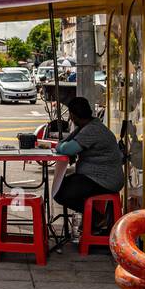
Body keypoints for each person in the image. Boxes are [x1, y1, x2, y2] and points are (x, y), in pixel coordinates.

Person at [52, 97, 126, 235]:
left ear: (73, 115)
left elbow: (67, 148)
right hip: (94, 176)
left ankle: (97, 218)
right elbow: (67, 143)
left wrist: (59, 146)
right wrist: (64, 144)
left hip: (105, 179)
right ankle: (94, 220)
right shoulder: (87, 127)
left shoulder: (92, 130)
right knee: (61, 187)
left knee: (61, 192)